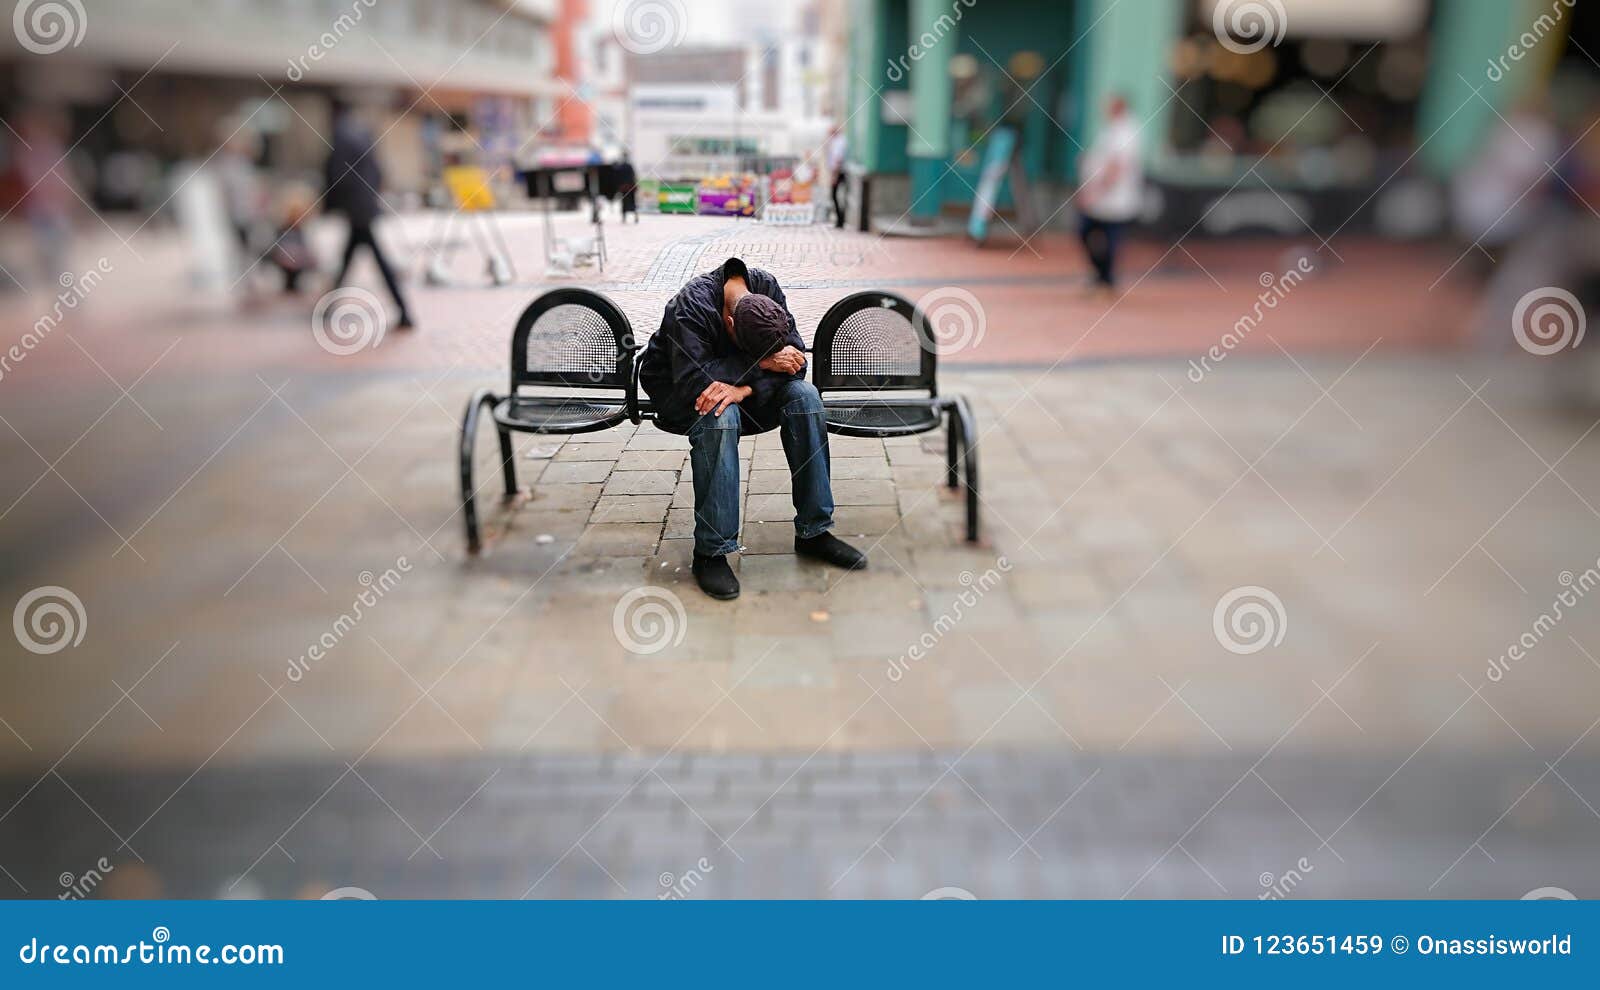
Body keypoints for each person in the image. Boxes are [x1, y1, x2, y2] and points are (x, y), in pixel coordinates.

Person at [639, 257, 868, 600]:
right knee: (721, 415)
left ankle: (814, 532)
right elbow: (692, 382)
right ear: (728, 323)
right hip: (679, 390)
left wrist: (745, 387)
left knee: (805, 397)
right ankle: (712, 551)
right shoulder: (691, 305)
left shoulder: (767, 290)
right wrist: (760, 364)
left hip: (745, 389)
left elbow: (794, 365)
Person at [324, 101, 415, 329]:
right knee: (351, 257)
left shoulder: (342, 137)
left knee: (375, 260)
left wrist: (330, 204)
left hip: (357, 209)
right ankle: (329, 306)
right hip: (365, 206)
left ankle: (404, 311)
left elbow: (337, 175)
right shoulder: (362, 135)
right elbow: (377, 171)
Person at [1076, 94, 1142, 293]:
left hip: (1112, 199)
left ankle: (1105, 278)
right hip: (1105, 198)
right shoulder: (1112, 129)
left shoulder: (1124, 131)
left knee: (1101, 234)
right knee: (1093, 233)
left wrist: (1095, 192)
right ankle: (1102, 276)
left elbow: (1116, 166)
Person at [826, 127, 849, 229]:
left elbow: (838, 159)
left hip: (839, 172)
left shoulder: (839, 142)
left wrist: (834, 176)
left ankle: (840, 220)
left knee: (835, 195)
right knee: (837, 196)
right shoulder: (839, 141)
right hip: (839, 172)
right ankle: (840, 220)